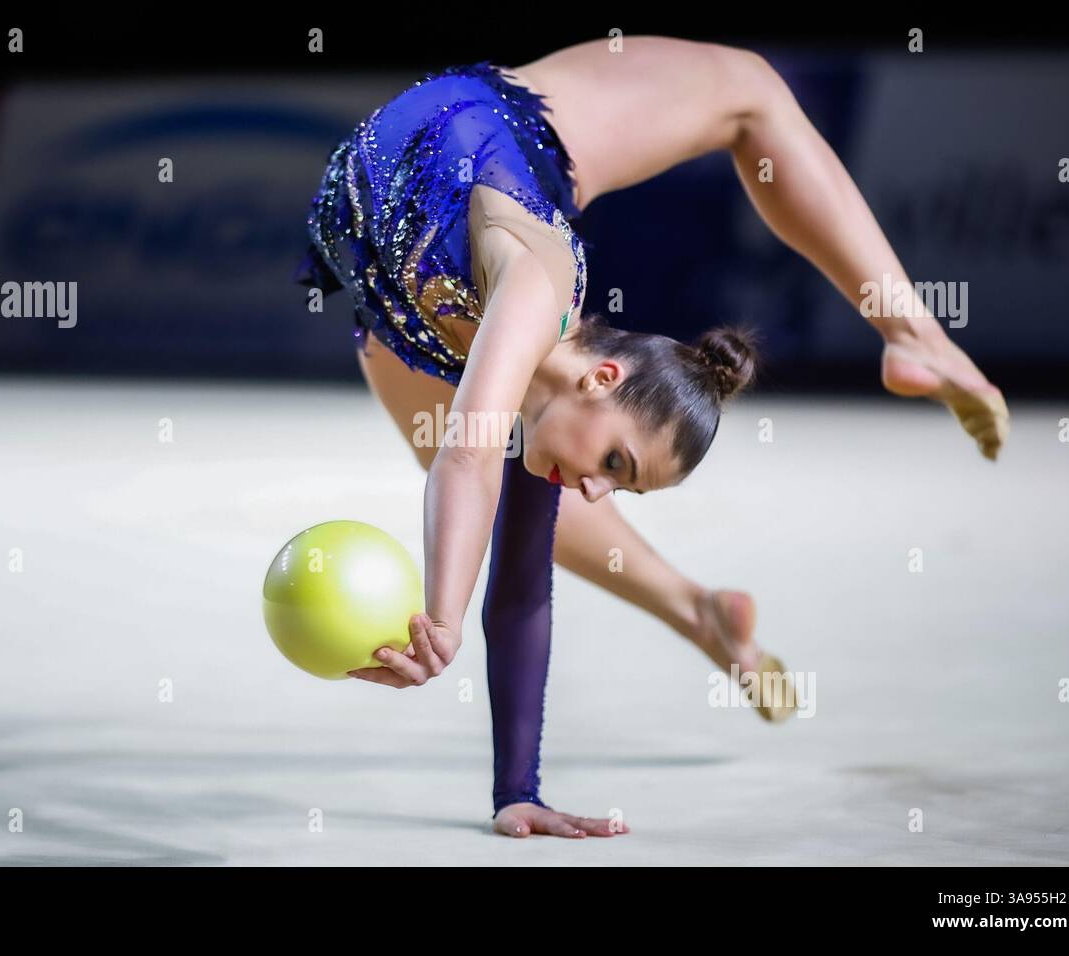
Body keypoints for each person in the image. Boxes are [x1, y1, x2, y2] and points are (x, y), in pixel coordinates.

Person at [293, 36, 1010, 839]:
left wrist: (515, 791)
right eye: (615, 464)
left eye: (617, 486)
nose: (596, 489)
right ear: (602, 378)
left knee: (500, 500)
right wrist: (443, 619)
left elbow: (523, 586)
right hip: (501, 130)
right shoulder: (533, 285)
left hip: (381, 286)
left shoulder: (535, 407)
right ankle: (912, 330)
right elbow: (466, 461)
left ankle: (697, 611)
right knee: (749, 87)